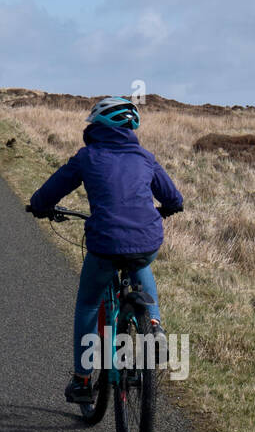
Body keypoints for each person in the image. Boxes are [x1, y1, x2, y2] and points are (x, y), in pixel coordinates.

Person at [27, 96, 184, 403]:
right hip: (146, 239)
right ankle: (154, 327)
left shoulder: (88, 156)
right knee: (141, 264)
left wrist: (39, 206)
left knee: (88, 304)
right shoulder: (145, 158)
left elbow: (49, 192)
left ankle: (83, 380)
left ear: (99, 125)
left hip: (105, 244)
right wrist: (162, 211)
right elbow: (175, 200)